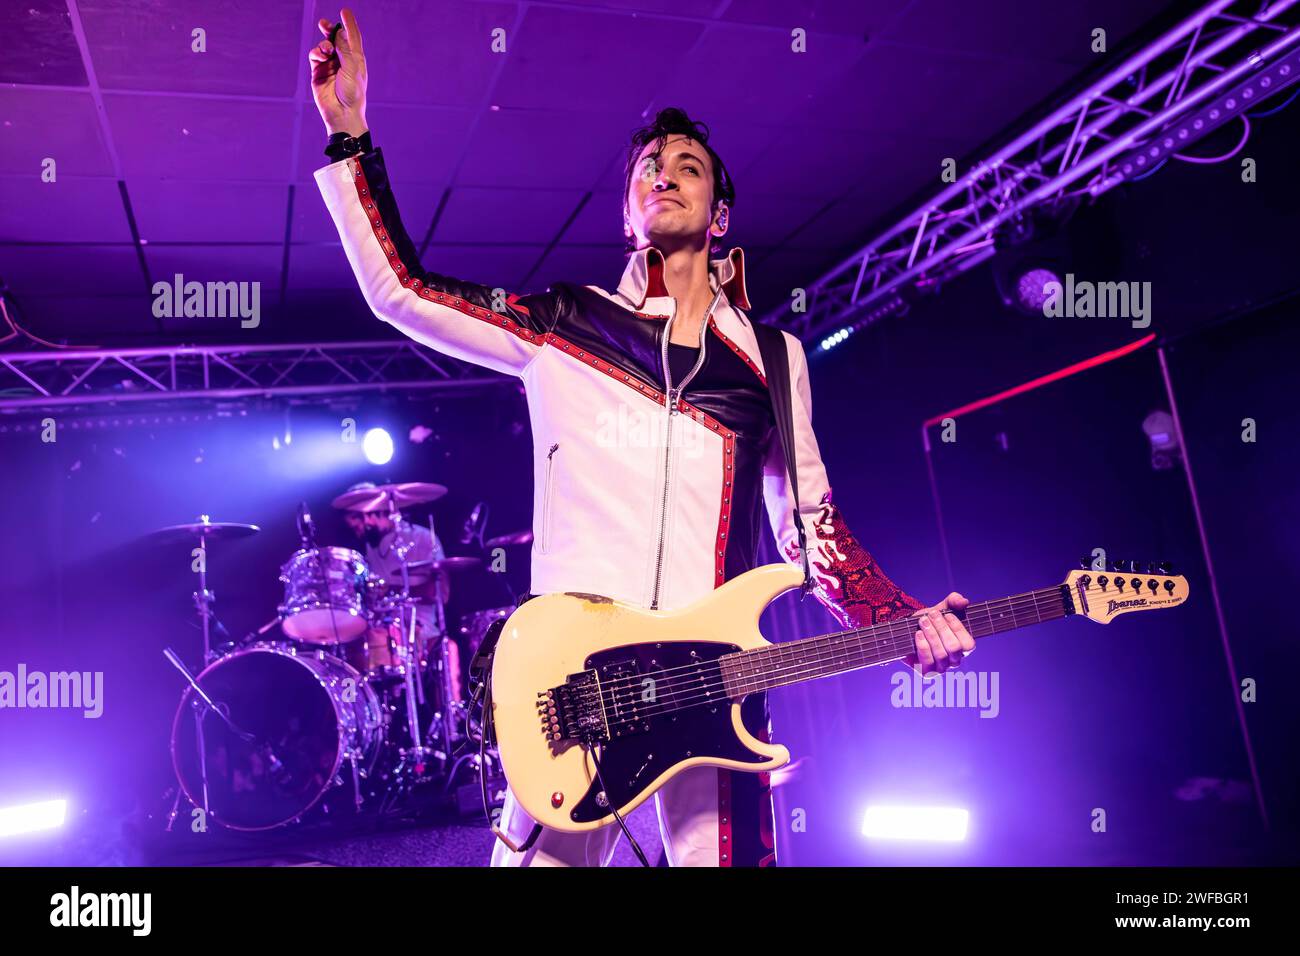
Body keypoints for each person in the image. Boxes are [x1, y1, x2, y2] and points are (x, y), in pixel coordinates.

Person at [309, 9, 975, 867]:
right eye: (647, 170)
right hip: (574, 687)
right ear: (628, 213)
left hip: (715, 677)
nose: (664, 175)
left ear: (720, 212)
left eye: (687, 166)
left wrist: (901, 618)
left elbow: (811, 527)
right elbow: (402, 290)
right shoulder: (564, 324)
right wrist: (351, 134)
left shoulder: (776, 358)